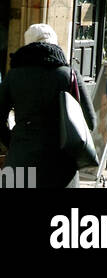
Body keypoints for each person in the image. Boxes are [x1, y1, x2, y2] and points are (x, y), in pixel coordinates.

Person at [0, 22, 96, 189]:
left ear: (27, 43)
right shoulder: (69, 74)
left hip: (21, 158)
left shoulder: (13, 76)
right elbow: (91, 122)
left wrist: (14, 141)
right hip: (60, 164)